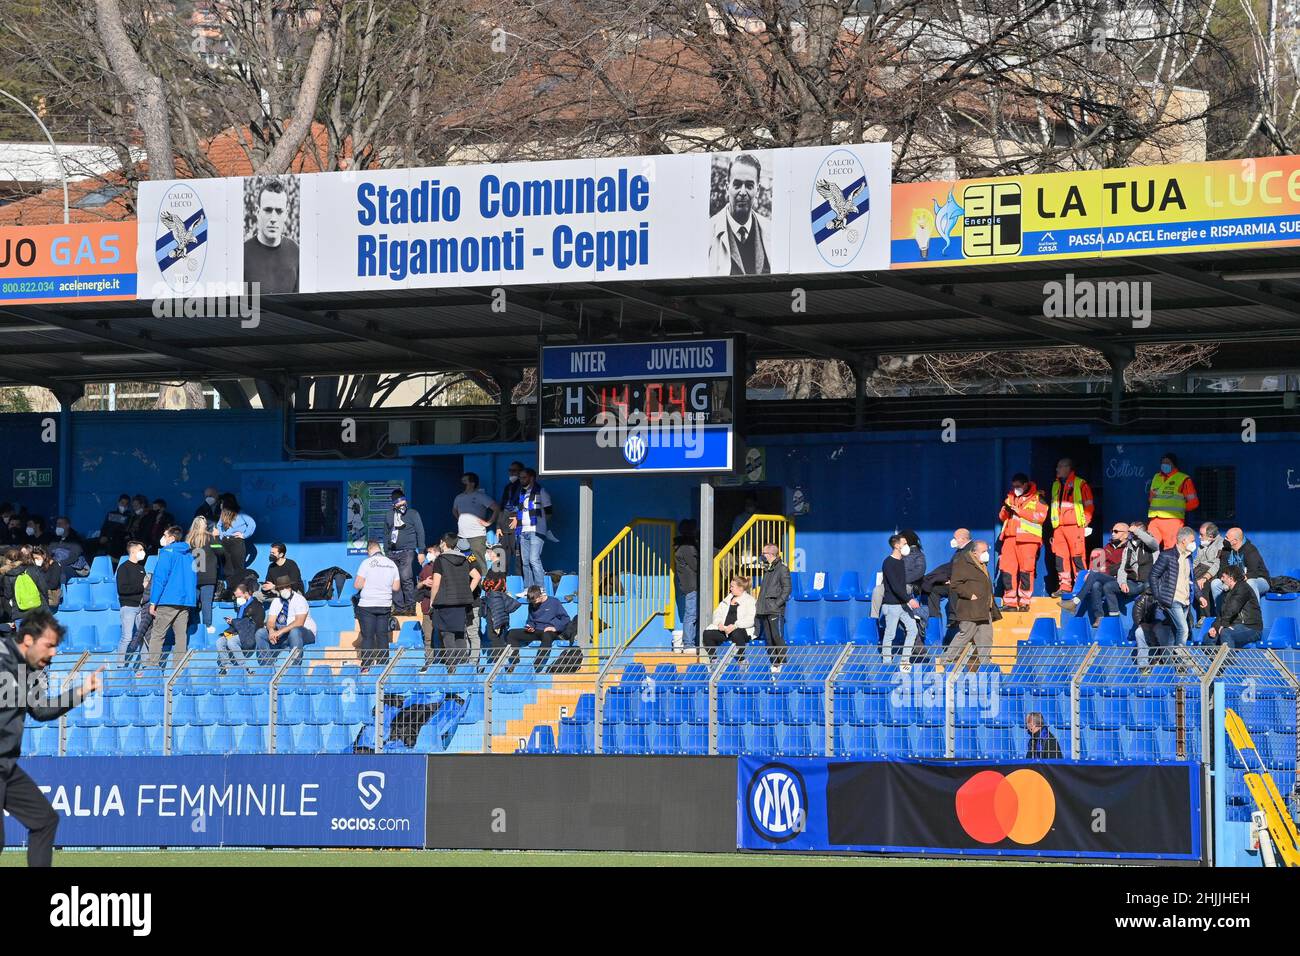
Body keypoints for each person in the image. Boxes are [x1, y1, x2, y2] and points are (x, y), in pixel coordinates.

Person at [0, 608, 103, 867]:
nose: (54, 653)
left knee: (44, 819)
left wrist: (81, 691)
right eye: (49, 646)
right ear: (27, 640)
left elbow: (41, 710)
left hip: (6, 767)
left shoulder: (29, 671)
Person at [423, 533, 482, 668]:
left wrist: (432, 600)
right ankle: (463, 666)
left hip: (445, 602)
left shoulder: (440, 560)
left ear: (444, 542)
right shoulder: (464, 558)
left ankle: (452, 666)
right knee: (460, 635)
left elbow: (436, 584)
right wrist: (467, 592)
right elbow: (477, 577)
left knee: (447, 635)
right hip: (461, 604)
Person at [708, 153, 772, 275]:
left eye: (749, 186)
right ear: (727, 187)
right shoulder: (708, 233)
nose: (742, 192)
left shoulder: (771, 231)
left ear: (757, 190)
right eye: (737, 185)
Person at [144, 525, 197, 669]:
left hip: (168, 599)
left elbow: (160, 579)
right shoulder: (190, 553)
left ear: (172, 538)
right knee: (181, 636)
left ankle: (152, 667)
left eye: (165, 535)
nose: (163, 538)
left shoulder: (167, 552)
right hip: (185, 601)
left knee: (157, 634)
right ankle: (178, 669)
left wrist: (153, 601)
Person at [942, 539, 999, 669]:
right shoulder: (962, 564)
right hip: (970, 608)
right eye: (983, 551)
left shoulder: (982, 564)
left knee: (986, 636)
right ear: (974, 553)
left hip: (985, 609)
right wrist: (970, 595)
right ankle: (947, 659)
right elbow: (955, 585)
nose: (986, 554)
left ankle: (985, 663)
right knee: (965, 634)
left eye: (987, 551)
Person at [997, 474, 1047, 610]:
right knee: (1007, 570)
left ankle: (1025, 601)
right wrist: (1006, 511)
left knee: (1026, 570)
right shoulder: (1010, 497)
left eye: (1018, 486)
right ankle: (1010, 602)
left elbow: (1041, 517)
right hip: (1009, 538)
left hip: (1028, 539)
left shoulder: (1038, 497)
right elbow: (1002, 517)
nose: (1015, 489)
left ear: (1025, 484)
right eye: (1014, 486)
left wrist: (1020, 512)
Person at [243, 178, 300, 293]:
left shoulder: (295, 251)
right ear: (258, 212)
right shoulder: (242, 253)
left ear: (286, 214)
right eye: (268, 210)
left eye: (279, 211)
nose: (273, 219)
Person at [1148, 525, 1198, 651]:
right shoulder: (1167, 555)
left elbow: (1191, 579)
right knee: (1183, 628)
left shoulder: (1189, 557)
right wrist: (1159, 596)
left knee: (1175, 631)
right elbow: (1153, 575)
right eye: (1192, 541)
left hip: (1186, 600)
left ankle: (1170, 661)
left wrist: (1200, 596)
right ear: (1184, 541)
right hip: (1172, 599)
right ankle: (1181, 659)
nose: (1194, 544)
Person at [1049, 457, 1094, 596]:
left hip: (1075, 527)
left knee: (1077, 557)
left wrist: (1085, 523)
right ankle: (1064, 586)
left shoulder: (1080, 484)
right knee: (1060, 558)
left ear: (1068, 468)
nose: (1057, 469)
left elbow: (1089, 505)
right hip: (1059, 528)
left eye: (1060, 467)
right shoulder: (1056, 485)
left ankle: (1081, 586)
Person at [504, 585, 572, 673]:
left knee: (547, 636)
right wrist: (529, 626)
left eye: (535, 601)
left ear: (540, 596)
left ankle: (536, 666)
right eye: (531, 602)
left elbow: (565, 619)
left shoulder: (554, 602)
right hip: (536, 630)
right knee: (511, 633)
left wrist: (555, 628)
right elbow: (531, 620)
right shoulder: (532, 604)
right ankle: (515, 662)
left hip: (549, 630)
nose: (533, 603)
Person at [354, 540, 400, 669]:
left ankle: (366, 666)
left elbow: (357, 584)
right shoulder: (391, 564)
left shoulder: (366, 563)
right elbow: (396, 587)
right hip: (384, 604)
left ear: (369, 550)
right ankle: (383, 666)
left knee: (368, 636)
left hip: (367, 604)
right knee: (382, 635)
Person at [509, 468, 554, 594]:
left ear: (531, 478)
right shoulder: (522, 493)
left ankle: (540, 589)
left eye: (524, 477)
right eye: (520, 477)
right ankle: (527, 589)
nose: (521, 480)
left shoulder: (541, 492)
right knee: (525, 562)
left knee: (534, 560)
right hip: (523, 531)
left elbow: (549, 512)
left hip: (536, 531)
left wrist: (542, 526)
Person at [880, 534, 920, 666]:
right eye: (904, 543)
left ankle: (905, 660)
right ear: (897, 546)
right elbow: (896, 586)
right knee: (890, 634)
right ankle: (887, 663)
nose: (906, 546)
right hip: (892, 605)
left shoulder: (902, 561)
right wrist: (909, 600)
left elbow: (902, 585)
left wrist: (907, 600)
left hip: (902, 604)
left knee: (913, 630)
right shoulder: (888, 562)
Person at [255, 577, 316, 662]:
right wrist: (271, 631)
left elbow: (299, 622)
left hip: (305, 633)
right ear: (278, 590)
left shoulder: (299, 599)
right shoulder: (276, 601)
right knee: (260, 633)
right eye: (281, 588)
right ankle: (268, 665)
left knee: (295, 631)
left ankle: (295, 665)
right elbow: (271, 621)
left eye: (287, 587)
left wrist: (280, 632)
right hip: (284, 634)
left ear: (290, 587)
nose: (284, 590)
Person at [1146, 452, 1199, 550]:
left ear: (1174, 464)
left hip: (1173, 520)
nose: (1164, 465)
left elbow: (1194, 503)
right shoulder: (1156, 477)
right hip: (1155, 519)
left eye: (1167, 462)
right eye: (1163, 462)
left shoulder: (1183, 479)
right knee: (1150, 547)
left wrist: (1179, 509)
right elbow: (1151, 498)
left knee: (1171, 549)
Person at [384, 489, 425, 614]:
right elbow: (386, 534)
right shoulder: (389, 515)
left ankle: (410, 606)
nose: (402, 503)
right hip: (392, 553)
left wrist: (421, 550)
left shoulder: (413, 514)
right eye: (398, 502)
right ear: (393, 504)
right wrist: (386, 551)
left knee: (406, 577)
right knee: (394, 580)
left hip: (407, 551)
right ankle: (399, 607)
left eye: (403, 500)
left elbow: (420, 532)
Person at [921, 528, 972, 625]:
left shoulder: (971, 549)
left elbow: (969, 569)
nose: (953, 540)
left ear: (963, 539)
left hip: (966, 584)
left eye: (955, 538)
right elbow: (952, 566)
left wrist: (954, 580)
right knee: (933, 589)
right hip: (955, 580)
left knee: (953, 587)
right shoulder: (959, 551)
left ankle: (954, 617)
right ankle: (934, 619)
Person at [703, 576, 757, 662]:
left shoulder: (750, 600)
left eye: (732, 586)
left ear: (740, 588)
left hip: (741, 631)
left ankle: (741, 660)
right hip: (725, 630)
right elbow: (717, 613)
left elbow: (751, 619)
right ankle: (714, 660)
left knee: (736, 633)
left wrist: (735, 626)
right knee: (707, 634)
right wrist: (719, 623)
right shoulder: (727, 599)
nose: (730, 588)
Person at [755, 542, 791, 671]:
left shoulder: (782, 568)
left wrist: (776, 604)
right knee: (769, 639)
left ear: (770, 554)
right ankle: (775, 664)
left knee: (777, 637)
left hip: (775, 610)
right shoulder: (768, 569)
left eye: (763, 553)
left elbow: (787, 589)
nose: (762, 556)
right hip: (765, 609)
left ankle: (784, 664)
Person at [1208, 566, 1263, 649]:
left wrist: (1224, 624)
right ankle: (1218, 662)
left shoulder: (1243, 588)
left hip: (1251, 628)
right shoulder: (1227, 592)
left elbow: (1233, 608)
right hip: (1235, 626)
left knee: (1226, 633)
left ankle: (1227, 662)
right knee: (1208, 638)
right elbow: (1222, 614)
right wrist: (1215, 627)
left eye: (1223, 577)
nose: (1221, 580)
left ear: (1231, 578)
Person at [452, 472, 499, 569]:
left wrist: (489, 522)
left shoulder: (480, 496)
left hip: (477, 536)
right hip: (461, 536)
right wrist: (460, 519)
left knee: (479, 563)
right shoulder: (459, 497)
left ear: (472, 483)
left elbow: (496, 508)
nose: (462, 483)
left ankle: (483, 583)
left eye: (465, 481)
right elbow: (454, 510)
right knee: (462, 563)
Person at [216, 582, 264, 674]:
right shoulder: (241, 607)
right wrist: (232, 622)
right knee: (220, 641)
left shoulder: (257, 606)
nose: (237, 599)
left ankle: (244, 668)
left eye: (239, 596)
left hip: (250, 635)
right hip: (239, 633)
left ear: (246, 593)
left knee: (231, 641)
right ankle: (227, 666)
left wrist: (234, 622)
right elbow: (241, 623)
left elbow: (254, 624)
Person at [114, 540, 148, 667]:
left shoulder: (141, 568)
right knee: (127, 637)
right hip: (128, 607)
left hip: (141, 607)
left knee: (142, 636)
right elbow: (122, 589)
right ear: (133, 551)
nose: (142, 552)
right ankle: (120, 665)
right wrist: (142, 586)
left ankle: (145, 664)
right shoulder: (123, 568)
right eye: (140, 550)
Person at [479, 549, 519, 651]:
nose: (487, 554)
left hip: (494, 602)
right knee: (499, 631)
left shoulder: (496, 567)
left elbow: (489, 585)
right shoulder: (499, 566)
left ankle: (498, 657)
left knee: (493, 632)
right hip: (499, 600)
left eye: (489, 552)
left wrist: (482, 583)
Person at [1218, 527, 1272, 602]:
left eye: (1227, 538)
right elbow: (1222, 570)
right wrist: (1228, 581)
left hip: (1260, 580)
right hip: (1233, 581)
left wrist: (1234, 582)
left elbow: (1253, 573)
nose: (1224, 539)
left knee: (1250, 583)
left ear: (1235, 541)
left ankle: (1254, 613)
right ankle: (1223, 613)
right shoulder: (1226, 550)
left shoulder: (1250, 549)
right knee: (1216, 584)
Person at [186, 517, 219, 635]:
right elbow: (220, 550)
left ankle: (192, 625)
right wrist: (216, 537)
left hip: (193, 576)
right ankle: (207, 626)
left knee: (192, 602)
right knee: (206, 603)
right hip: (208, 576)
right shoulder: (210, 537)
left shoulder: (189, 540)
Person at [672, 519, 700, 654]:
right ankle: (688, 643)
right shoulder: (687, 547)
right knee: (691, 614)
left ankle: (689, 642)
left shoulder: (680, 546)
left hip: (687, 584)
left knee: (691, 613)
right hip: (691, 585)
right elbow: (695, 565)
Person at [211, 494, 255, 579]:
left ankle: (238, 589)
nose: (220, 504)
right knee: (227, 568)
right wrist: (222, 535)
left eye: (222, 502)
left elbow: (252, 524)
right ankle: (230, 589)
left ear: (227, 503)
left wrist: (244, 535)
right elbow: (219, 525)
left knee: (238, 567)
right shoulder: (224, 514)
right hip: (225, 541)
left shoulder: (240, 513)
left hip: (236, 541)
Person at [497, 461, 526, 576]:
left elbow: (524, 505)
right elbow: (501, 507)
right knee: (502, 557)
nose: (511, 473)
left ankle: (521, 586)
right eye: (510, 470)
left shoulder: (524, 488)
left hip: (517, 528)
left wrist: (517, 519)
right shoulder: (508, 487)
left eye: (514, 470)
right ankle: (499, 583)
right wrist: (498, 526)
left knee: (519, 559)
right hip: (504, 528)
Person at [97, 493, 133, 561]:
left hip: (119, 543)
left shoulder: (129, 516)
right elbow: (104, 527)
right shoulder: (111, 514)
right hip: (107, 541)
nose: (124, 505)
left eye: (126, 504)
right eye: (122, 503)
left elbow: (124, 530)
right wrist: (102, 536)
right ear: (118, 502)